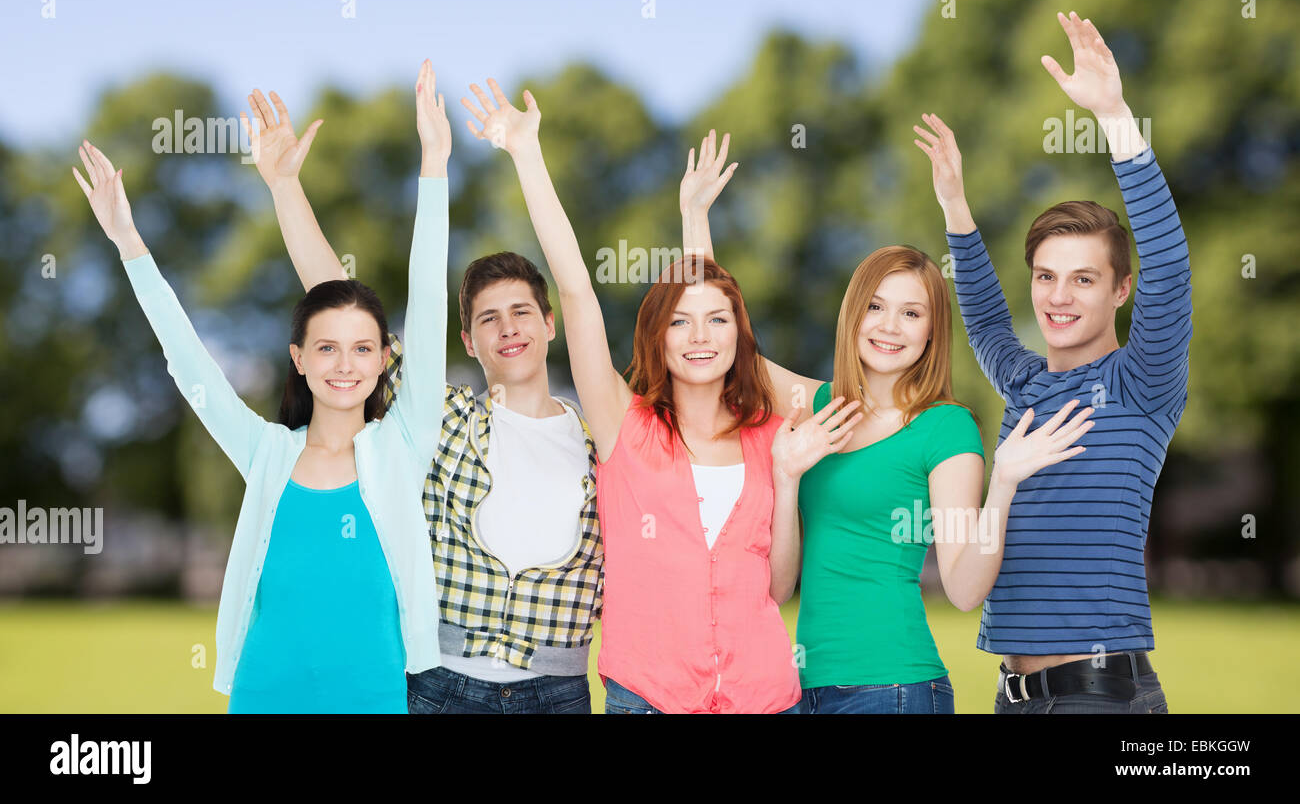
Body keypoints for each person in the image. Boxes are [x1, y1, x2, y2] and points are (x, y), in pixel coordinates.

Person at [461, 78, 856, 713]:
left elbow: (778, 588)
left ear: (740, 337)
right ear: (657, 337)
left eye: (719, 323)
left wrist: (787, 479)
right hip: (647, 697)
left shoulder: (770, 437)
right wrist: (526, 153)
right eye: (679, 324)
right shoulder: (625, 426)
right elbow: (576, 292)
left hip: (767, 699)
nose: (700, 338)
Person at [71, 63, 449, 712]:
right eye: (327, 347)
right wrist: (128, 239)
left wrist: (434, 167)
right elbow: (191, 366)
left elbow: (431, 293)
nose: (345, 363)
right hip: (263, 692)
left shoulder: (403, 444)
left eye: (363, 348)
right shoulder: (268, 453)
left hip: (374, 695)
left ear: (386, 358)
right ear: (298, 359)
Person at [682, 133, 1094, 713]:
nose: (890, 326)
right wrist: (695, 218)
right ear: (853, 315)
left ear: (931, 331)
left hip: (895, 689)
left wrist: (1002, 485)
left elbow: (964, 589)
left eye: (911, 312)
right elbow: (727, 347)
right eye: (876, 306)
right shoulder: (817, 405)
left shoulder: (944, 428)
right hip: (803, 689)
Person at [244, 65, 600, 715]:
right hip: (443, 685)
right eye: (487, 318)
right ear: (469, 341)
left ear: (549, 324)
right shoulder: (440, 416)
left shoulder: (597, 434)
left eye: (521, 311)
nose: (508, 328)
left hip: (560, 690)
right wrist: (286, 186)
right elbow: (343, 311)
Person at [915, 11, 1191, 713]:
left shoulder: (1142, 381)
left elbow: (1170, 264)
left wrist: (1114, 114)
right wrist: (954, 203)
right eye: (1044, 276)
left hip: (1098, 696)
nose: (1059, 296)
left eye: (1084, 278)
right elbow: (979, 313)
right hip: (1015, 697)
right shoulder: (1026, 384)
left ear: (1120, 289)